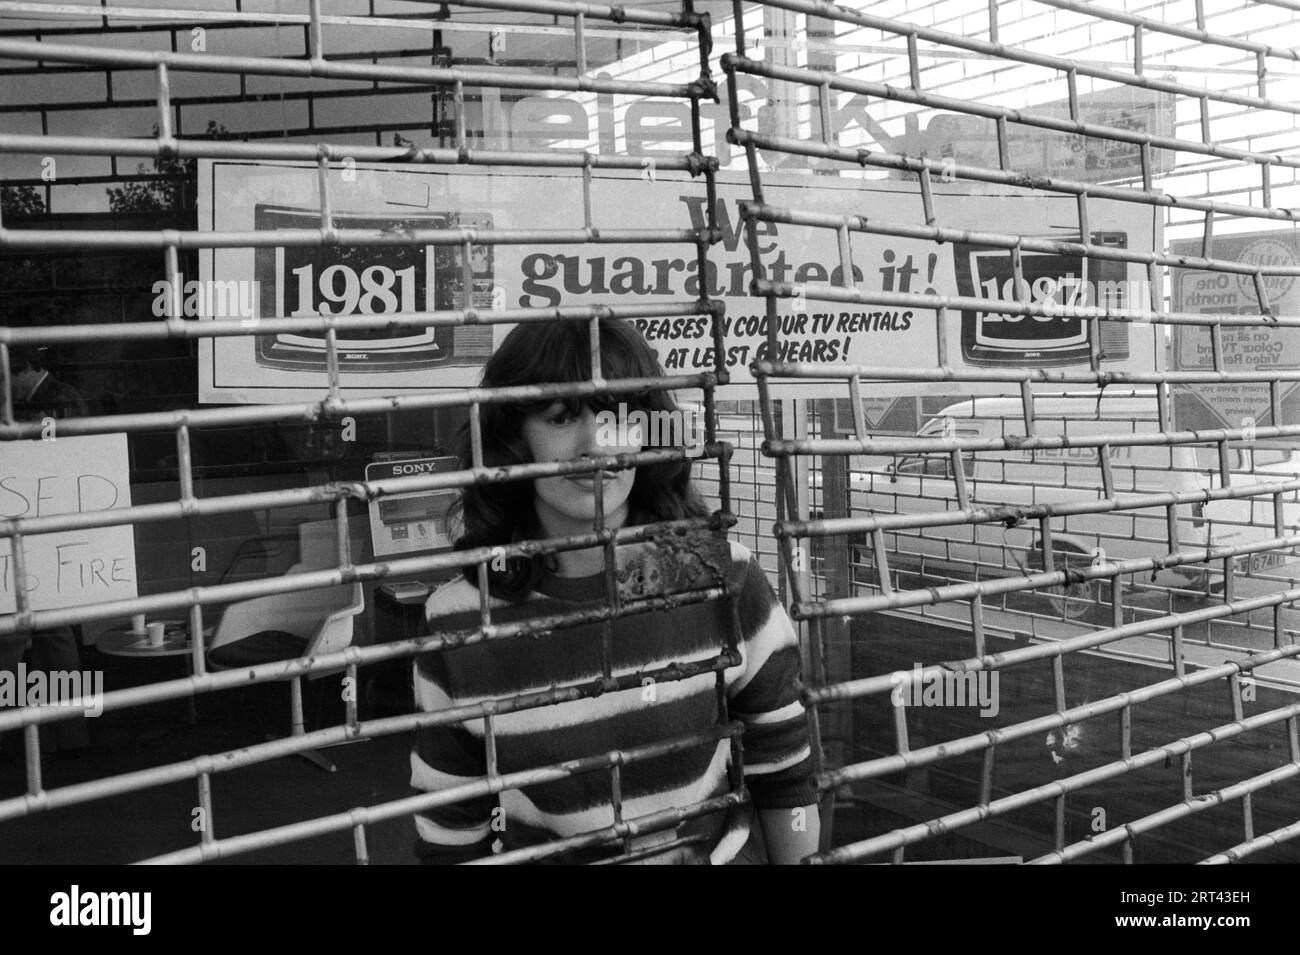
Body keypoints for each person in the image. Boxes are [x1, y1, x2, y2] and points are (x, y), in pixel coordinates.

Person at [409, 318, 821, 864]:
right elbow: (452, 831)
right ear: (512, 440)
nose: (597, 444)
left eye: (620, 416)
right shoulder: (457, 621)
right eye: (561, 417)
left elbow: (785, 774)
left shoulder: (724, 577)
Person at [0, 345, 90, 759]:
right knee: (55, 635)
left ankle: (20, 730)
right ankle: (67, 731)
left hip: (35, 531)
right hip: (49, 532)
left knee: (15, 637)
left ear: (23, 371)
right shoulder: (58, 399)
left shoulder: (52, 402)